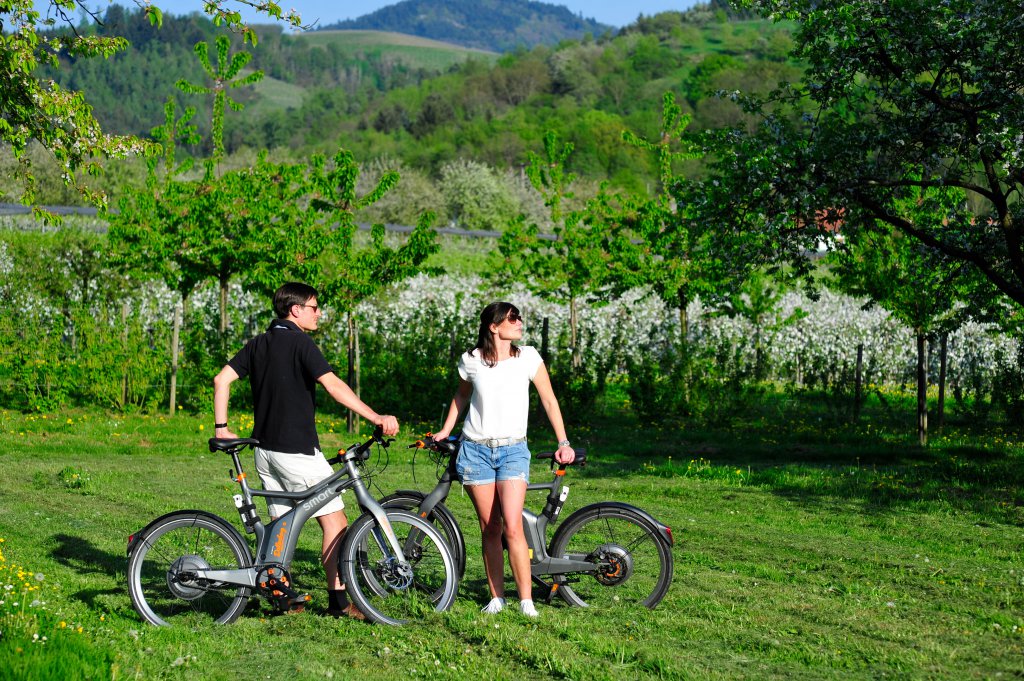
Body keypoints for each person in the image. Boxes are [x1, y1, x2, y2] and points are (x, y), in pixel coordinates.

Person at [213, 282, 399, 621]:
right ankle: (339, 603)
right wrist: (376, 416)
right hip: (295, 450)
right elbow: (333, 385)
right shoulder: (300, 342)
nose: (319, 313)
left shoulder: (257, 344)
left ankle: (281, 595)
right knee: (336, 522)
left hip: (263, 451)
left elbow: (221, 379)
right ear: (295, 310)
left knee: (281, 527)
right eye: (314, 307)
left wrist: (221, 428)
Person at [432, 302, 575, 618]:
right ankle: (497, 598)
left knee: (513, 525)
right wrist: (446, 430)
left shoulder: (528, 358)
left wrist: (562, 441)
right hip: (475, 451)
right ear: (493, 326)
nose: (519, 322)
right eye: (512, 318)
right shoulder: (471, 361)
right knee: (490, 527)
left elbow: (549, 400)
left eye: (519, 317)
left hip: (513, 450)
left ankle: (527, 601)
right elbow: (461, 396)